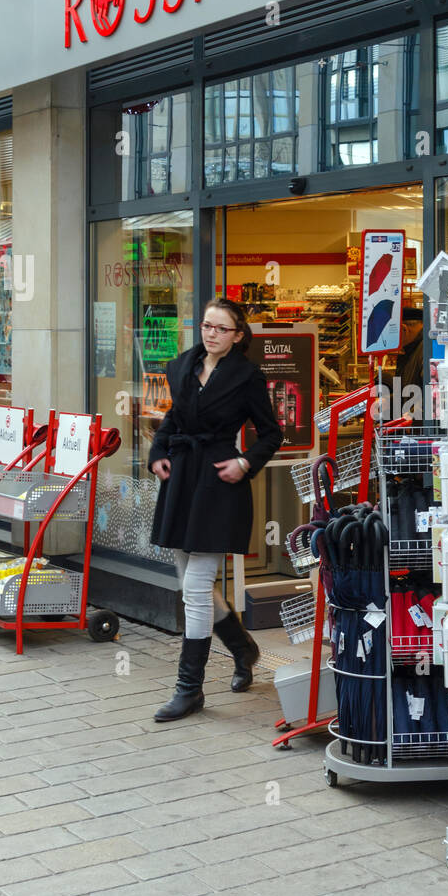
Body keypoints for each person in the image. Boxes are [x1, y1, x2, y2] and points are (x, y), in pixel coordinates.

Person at [148, 298, 284, 722]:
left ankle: (189, 690)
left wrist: (245, 462)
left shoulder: (247, 377)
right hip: (182, 479)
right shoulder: (184, 366)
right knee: (188, 578)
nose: (211, 334)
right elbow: (174, 420)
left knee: (196, 585)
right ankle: (244, 649)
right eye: (207, 325)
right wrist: (157, 452)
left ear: (238, 335)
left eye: (221, 328)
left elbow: (271, 433)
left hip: (219, 483)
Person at [394, 305, 425, 419]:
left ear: (403, 329)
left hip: (421, 431)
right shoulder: (410, 349)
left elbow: (434, 392)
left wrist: (413, 415)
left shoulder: (425, 350)